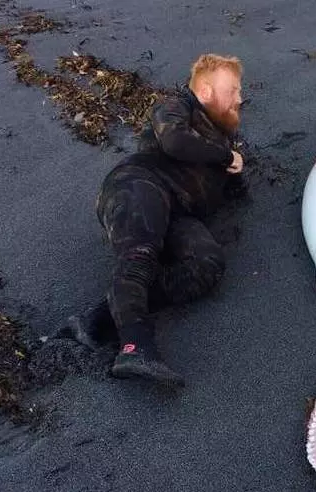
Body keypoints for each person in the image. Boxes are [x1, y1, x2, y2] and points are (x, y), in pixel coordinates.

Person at [61, 53, 247, 387]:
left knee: (207, 263)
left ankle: (98, 319)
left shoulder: (222, 139)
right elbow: (175, 141)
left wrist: (235, 172)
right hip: (138, 186)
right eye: (232, 90)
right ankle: (136, 346)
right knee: (140, 254)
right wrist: (225, 156)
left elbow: (224, 186)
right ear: (205, 92)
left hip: (180, 211)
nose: (240, 97)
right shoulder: (175, 106)